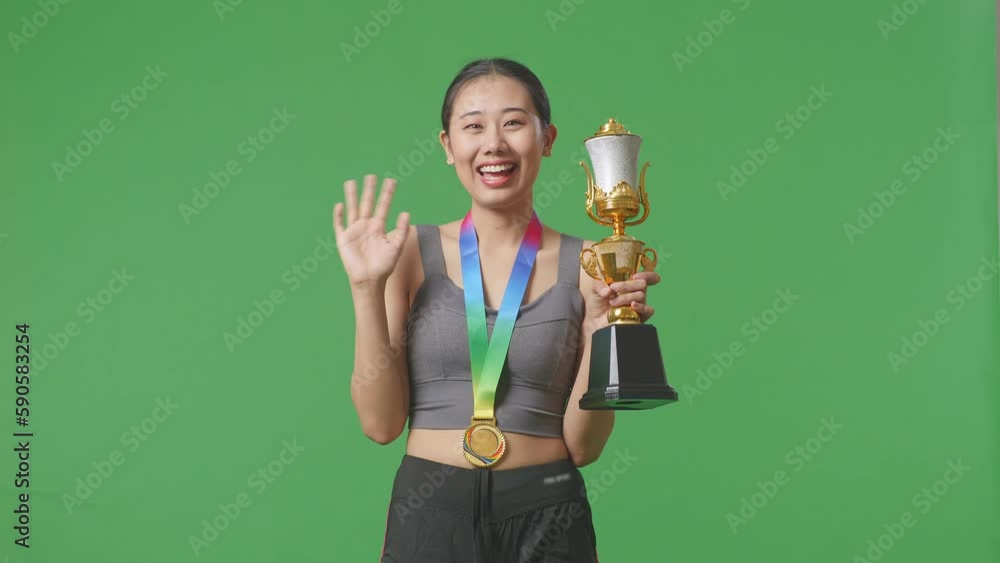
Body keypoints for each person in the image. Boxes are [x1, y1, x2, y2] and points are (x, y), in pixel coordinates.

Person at [333, 58, 660, 563]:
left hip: (548, 507)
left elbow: (584, 448)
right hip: (430, 510)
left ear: (546, 139)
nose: (494, 144)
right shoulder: (407, 254)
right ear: (448, 146)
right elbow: (380, 425)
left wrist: (601, 326)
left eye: (513, 122)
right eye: (473, 126)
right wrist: (365, 289)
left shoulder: (592, 263)